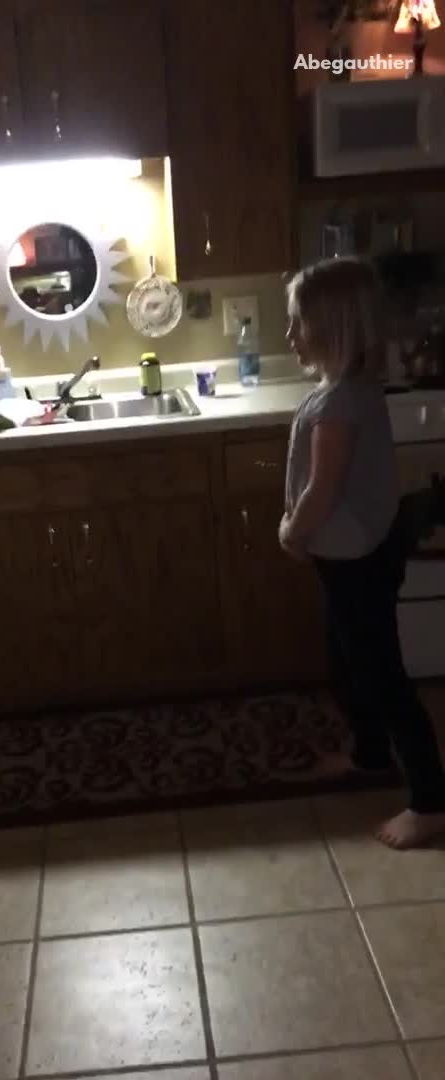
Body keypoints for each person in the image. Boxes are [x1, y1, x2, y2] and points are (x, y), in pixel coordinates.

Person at [281, 256, 445, 850]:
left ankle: (430, 800)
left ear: (333, 329)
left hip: (355, 560)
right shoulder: (345, 392)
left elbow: (323, 490)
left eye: (297, 323)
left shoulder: (339, 405)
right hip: (360, 552)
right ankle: (372, 754)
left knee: (382, 675)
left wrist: (294, 533)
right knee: (348, 662)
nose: (290, 335)